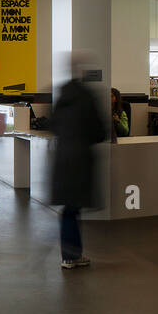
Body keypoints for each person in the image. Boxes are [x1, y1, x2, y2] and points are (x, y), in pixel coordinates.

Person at [49, 58, 106, 268]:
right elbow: (100, 131)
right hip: (81, 160)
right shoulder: (88, 96)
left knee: (70, 208)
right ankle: (71, 255)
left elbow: (53, 126)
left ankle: (71, 254)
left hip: (63, 159)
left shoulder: (61, 94)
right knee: (72, 209)